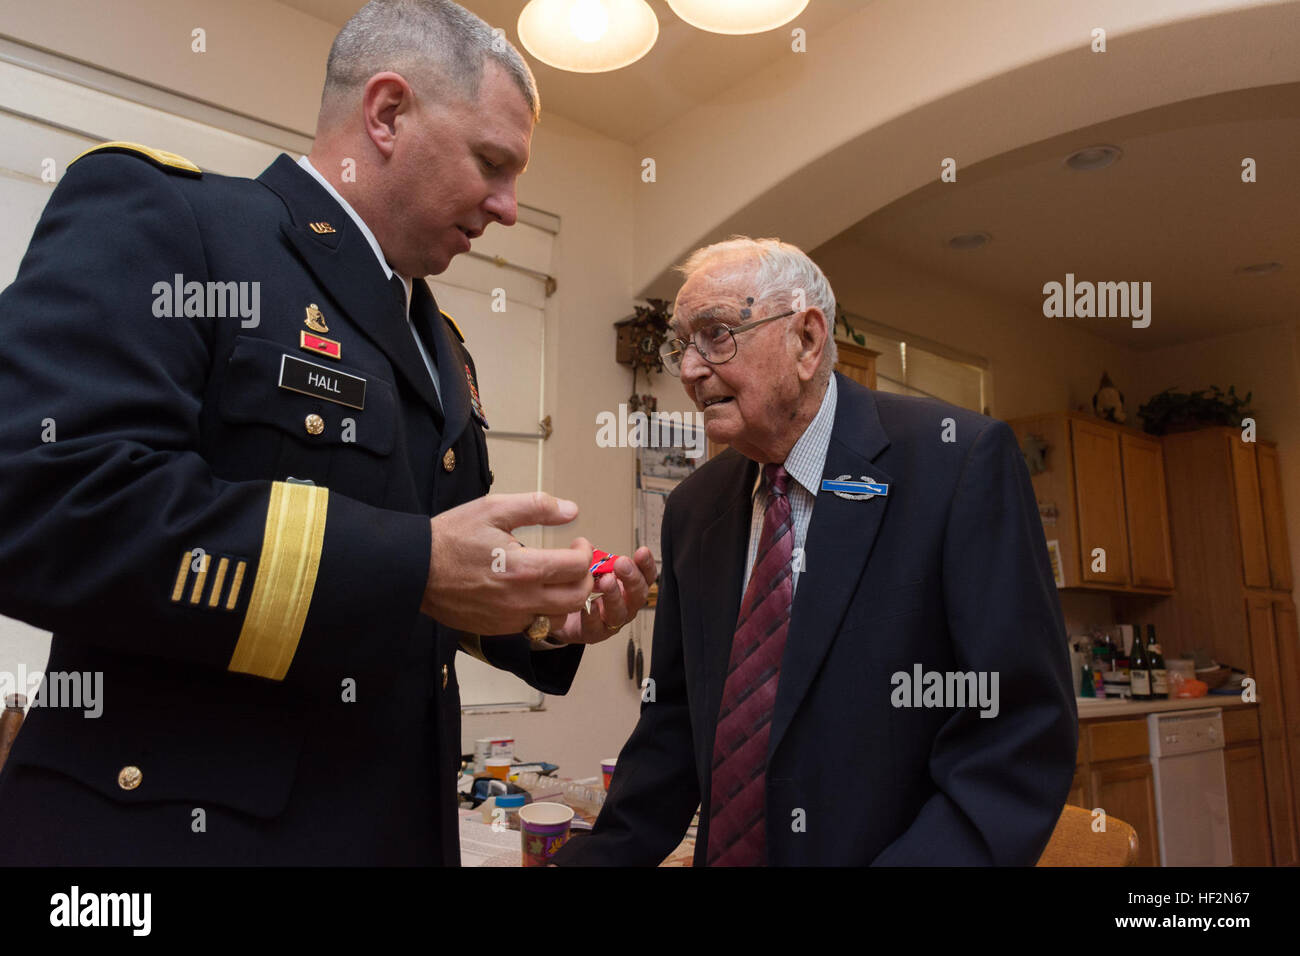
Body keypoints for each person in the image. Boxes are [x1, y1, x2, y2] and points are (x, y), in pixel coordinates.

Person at [0, 0, 655, 865]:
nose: (508, 207)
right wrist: (413, 565)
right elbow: (42, 499)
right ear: (386, 114)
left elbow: (421, 578)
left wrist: (536, 613)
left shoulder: (439, 343)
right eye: (492, 164)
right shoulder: (173, 220)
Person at [553, 237, 1077, 866]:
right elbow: (673, 725)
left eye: (716, 335)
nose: (689, 370)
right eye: (680, 345)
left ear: (805, 340)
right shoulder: (694, 507)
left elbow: (1017, 733)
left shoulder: (958, 463)